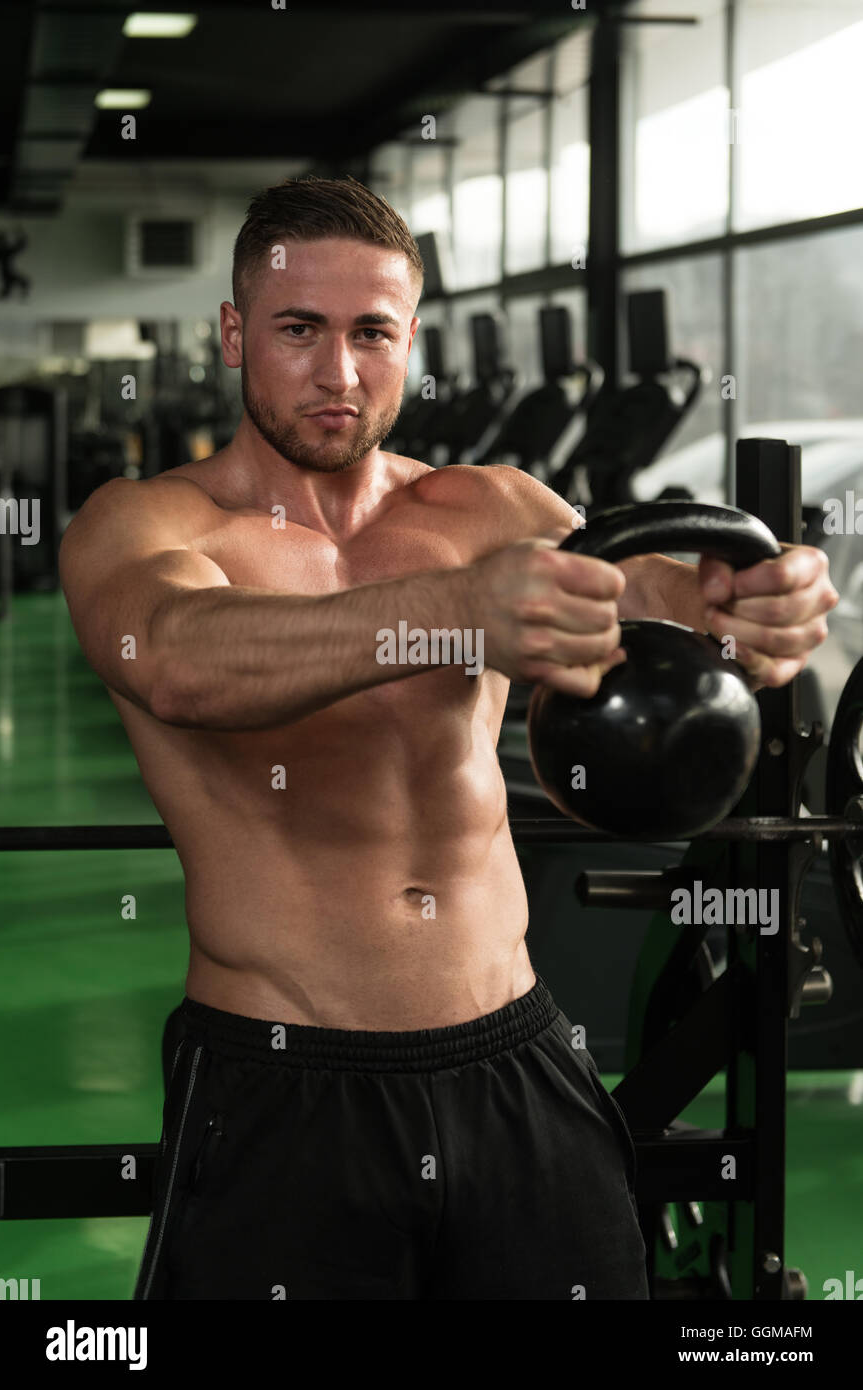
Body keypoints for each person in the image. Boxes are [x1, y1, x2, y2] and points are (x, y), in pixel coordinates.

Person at [59, 176, 837, 1301]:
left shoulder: (489, 507)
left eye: (372, 333)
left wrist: (741, 609)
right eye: (298, 330)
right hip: (285, 1083)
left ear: (409, 338)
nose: (338, 373)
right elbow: (176, 657)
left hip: (516, 1058)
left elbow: (652, 589)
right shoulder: (147, 523)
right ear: (234, 332)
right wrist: (458, 613)